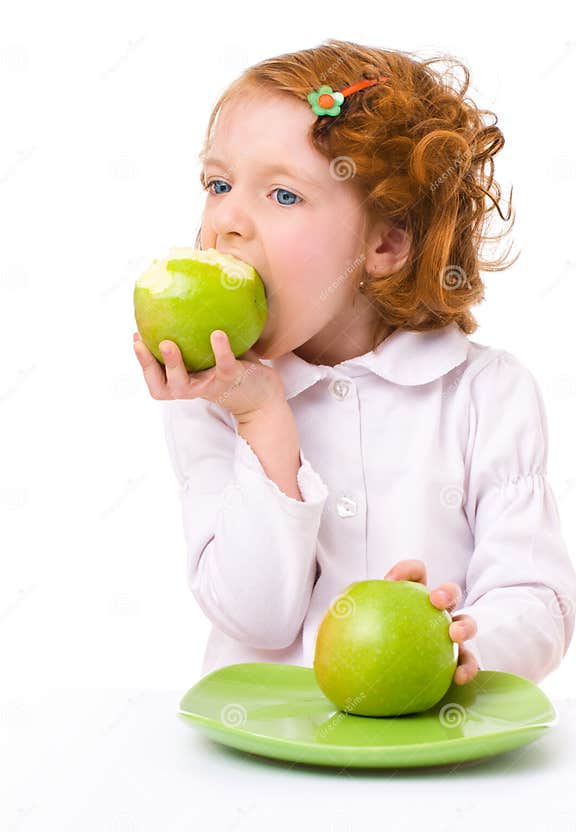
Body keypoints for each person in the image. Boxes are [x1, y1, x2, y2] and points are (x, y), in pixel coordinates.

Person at [133, 39, 576, 685]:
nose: (227, 220)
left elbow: (537, 597)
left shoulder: (485, 393)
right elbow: (256, 619)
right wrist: (259, 417)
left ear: (387, 243)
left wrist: (461, 645)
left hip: (429, 737)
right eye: (219, 184)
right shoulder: (215, 397)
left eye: (283, 195)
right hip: (262, 740)